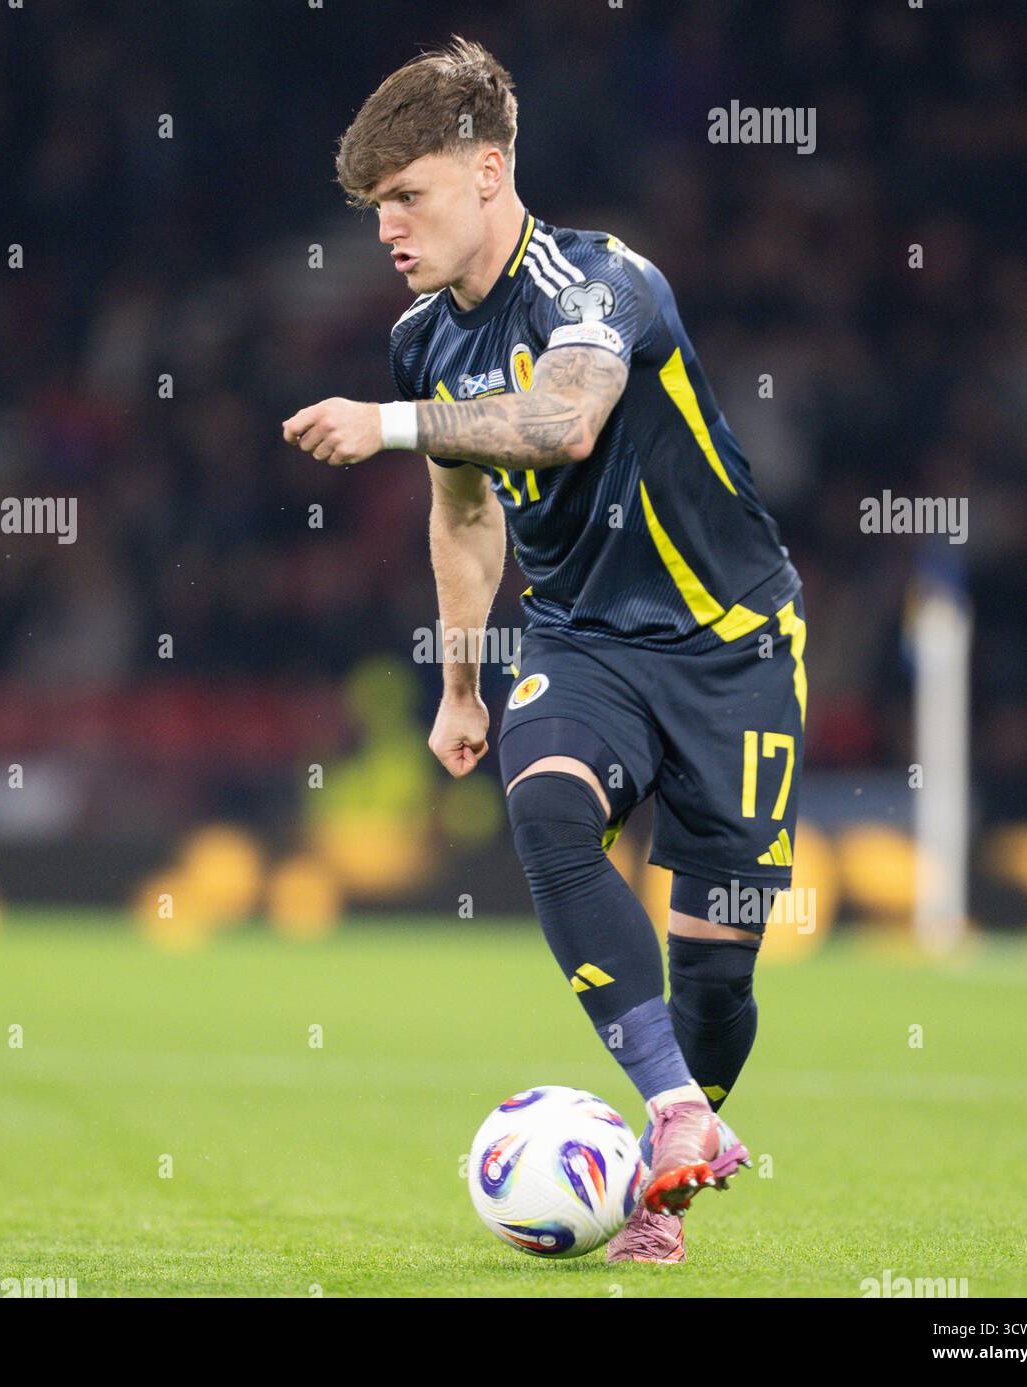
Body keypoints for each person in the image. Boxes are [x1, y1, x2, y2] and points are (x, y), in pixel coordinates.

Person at [283, 37, 806, 1264]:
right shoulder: (423, 337)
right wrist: (461, 679)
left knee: (718, 975)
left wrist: (388, 424)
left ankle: (664, 1191)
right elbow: (463, 507)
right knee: (552, 813)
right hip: (578, 640)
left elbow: (565, 422)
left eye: (406, 196)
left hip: (732, 648)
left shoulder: (602, 284)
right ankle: (671, 1110)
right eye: (373, 209)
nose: (388, 229)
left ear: (488, 170)